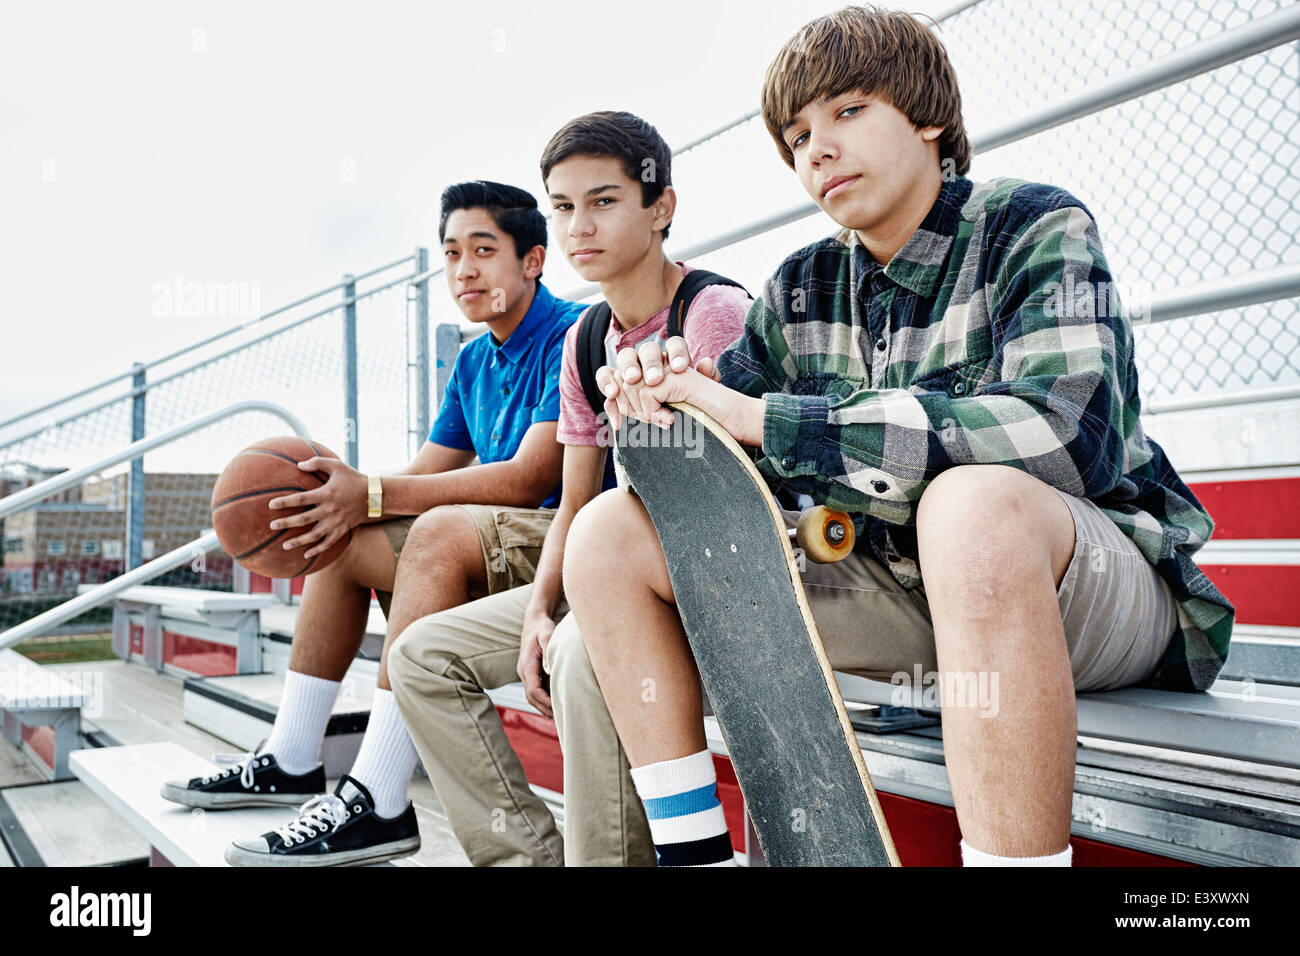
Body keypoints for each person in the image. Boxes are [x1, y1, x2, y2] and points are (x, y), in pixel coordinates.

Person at [564, 5, 1235, 867]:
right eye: (798, 135)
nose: (819, 148)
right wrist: (662, 405)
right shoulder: (801, 285)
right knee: (609, 535)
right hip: (908, 590)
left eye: (846, 112)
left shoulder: (1033, 225)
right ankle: (696, 855)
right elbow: (721, 480)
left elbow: (1066, 437)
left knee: (973, 507)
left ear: (928, 119)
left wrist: (772, 419)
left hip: (1090, 589)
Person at [162, 180, 585, 866]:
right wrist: (348, 496)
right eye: (450, 254)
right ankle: (293, 757)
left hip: (564, 548)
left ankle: (379, 799)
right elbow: (422, 474)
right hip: (491, 551)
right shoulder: (476, 359)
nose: (463, 271)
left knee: (427, 529)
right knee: (346, 535)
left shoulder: (569, 333)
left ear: (532, 260)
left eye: (483, 250)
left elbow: (531, 477)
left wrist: (376, 492)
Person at [387, 111, 751, 865]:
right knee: (423, 656)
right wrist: (538, 612)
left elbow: (751, 492)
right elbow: (573, 504)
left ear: (661, 208)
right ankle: (525, 858)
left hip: (706, 576)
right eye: (562, 206)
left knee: (584, 655)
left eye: (604, 200)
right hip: (604, 568)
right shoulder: (586, 339)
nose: (579, 225)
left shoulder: (714, 314)